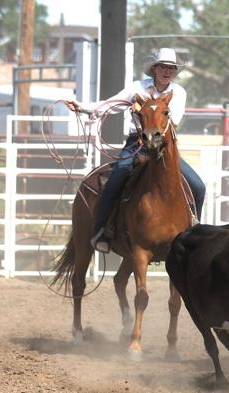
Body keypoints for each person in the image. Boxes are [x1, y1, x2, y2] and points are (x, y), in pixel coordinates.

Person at [66, 48, 206, 253]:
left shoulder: (179, 93)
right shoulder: (137, 87)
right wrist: (84, 107)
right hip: (137, 142)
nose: (167, 71)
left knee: (198, 186)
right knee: (118, 175)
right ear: (155, 69)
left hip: (164, 145)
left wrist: (147, 111)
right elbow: (111, 104)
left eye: (171, 68)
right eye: (163, 67)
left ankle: (194, 227)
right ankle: (101, 229)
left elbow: (173, 119)